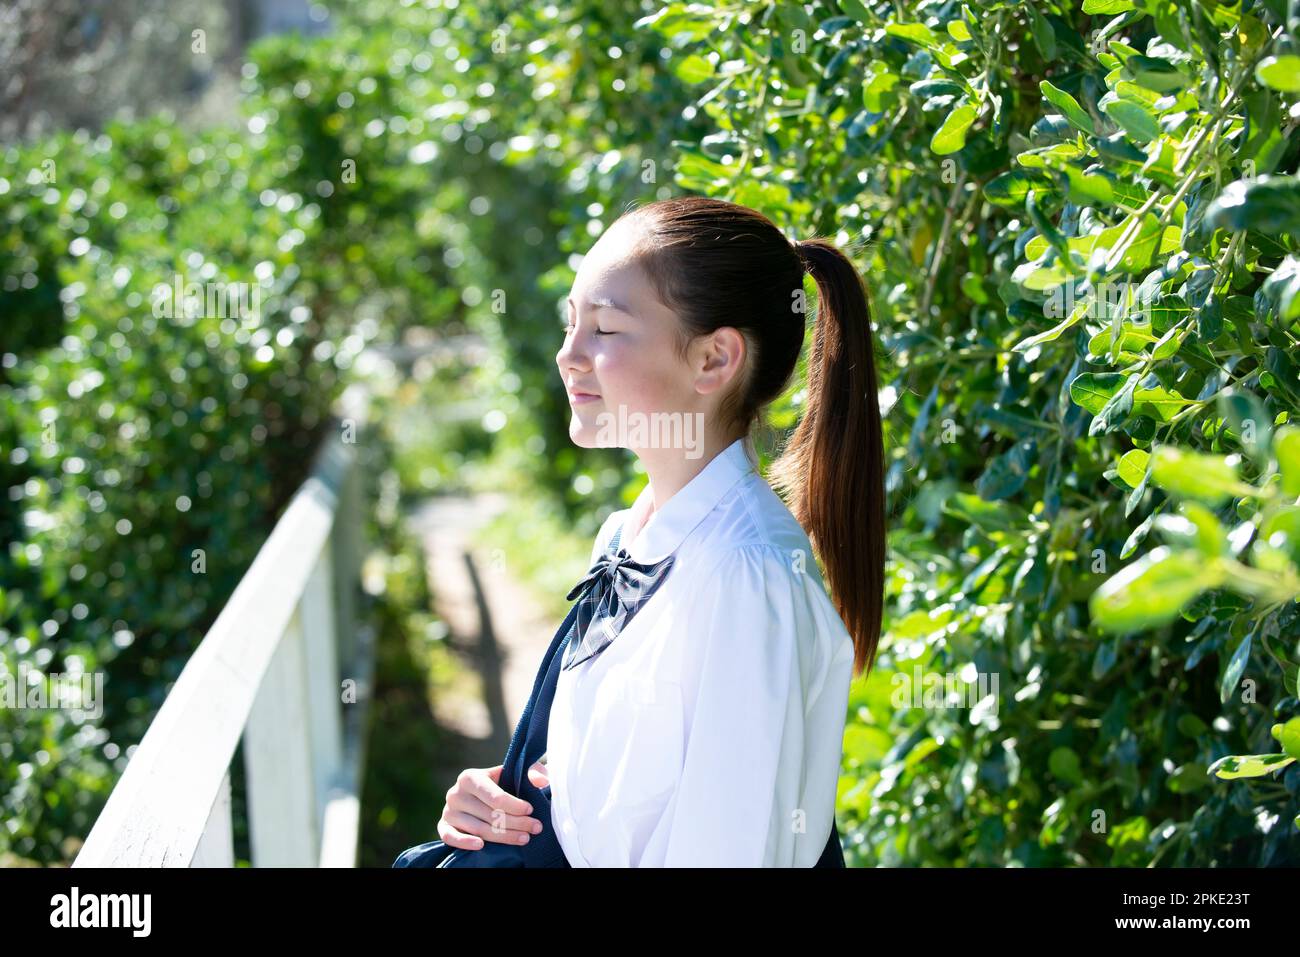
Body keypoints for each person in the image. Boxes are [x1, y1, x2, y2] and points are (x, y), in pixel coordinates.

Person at [431, 195, 885, 866]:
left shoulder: (744, 577)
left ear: (713, 360)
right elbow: (632, 794)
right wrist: (506, 801)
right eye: (571, 324)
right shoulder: (629, 534)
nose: (568, 355)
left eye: (606, 330)